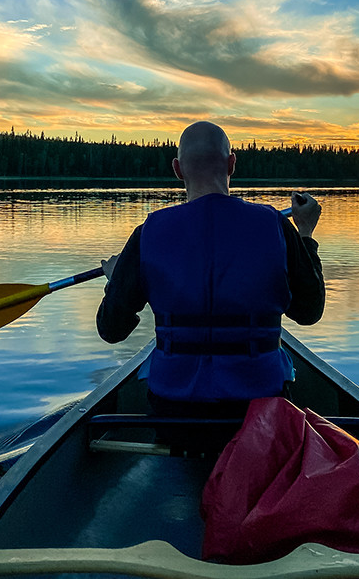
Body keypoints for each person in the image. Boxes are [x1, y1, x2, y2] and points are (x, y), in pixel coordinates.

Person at [96, 121, 325, 417]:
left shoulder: (148, 233)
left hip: (173, 410)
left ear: (177, 169)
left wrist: (117, 281)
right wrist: (305, 233)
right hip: (259, 406)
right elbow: (309, 312)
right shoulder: (275, 225)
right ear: (231, 164)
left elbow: (111, 330)